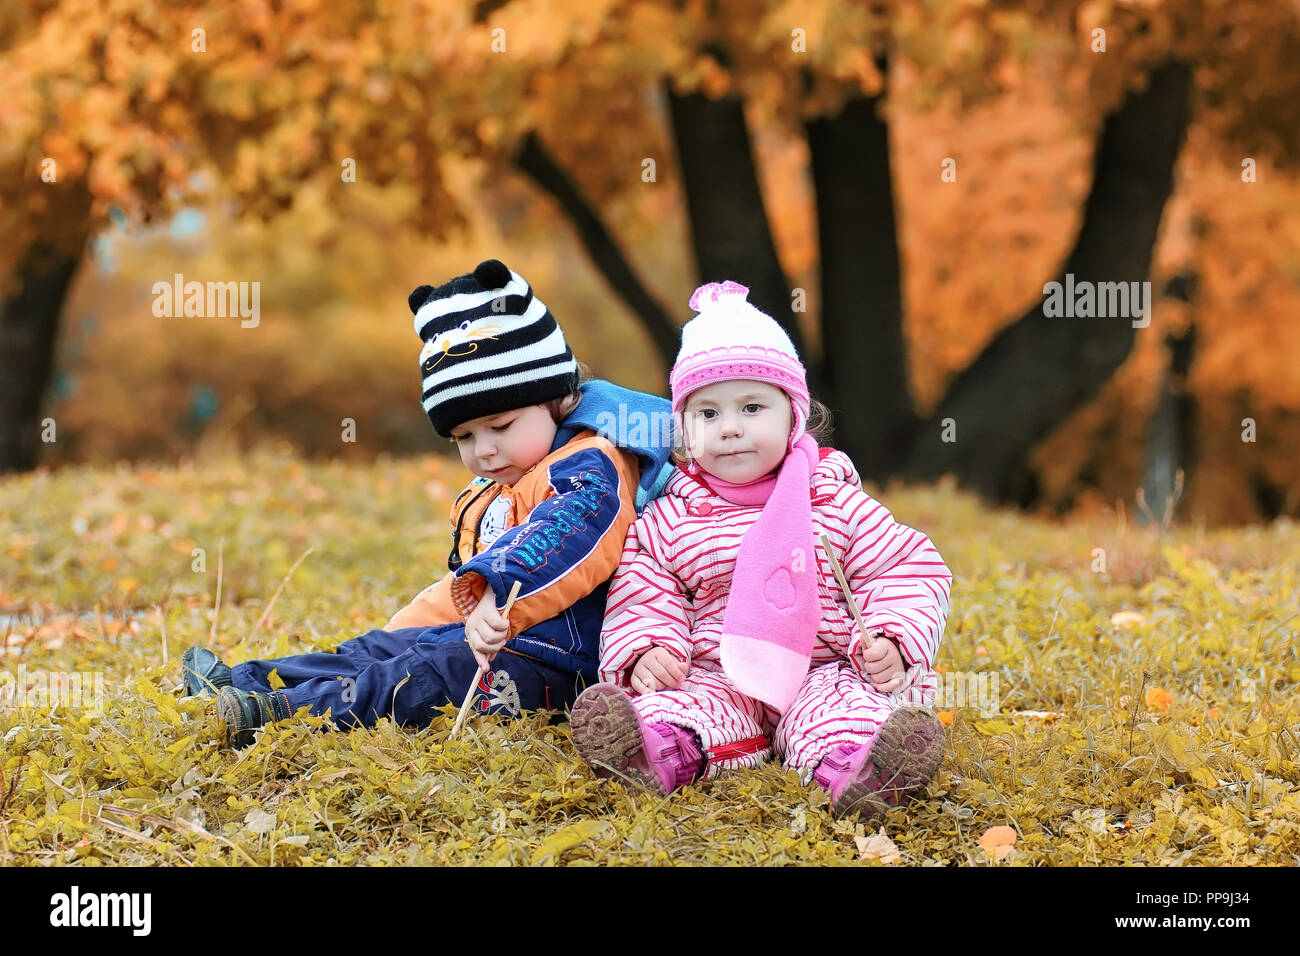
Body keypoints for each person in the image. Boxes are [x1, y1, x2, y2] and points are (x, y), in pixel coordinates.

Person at [180, 259, 674, 747]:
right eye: (463, 436)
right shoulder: (508, 481)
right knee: (382, 650)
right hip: (495, 636)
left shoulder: (591, 466)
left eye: (501, 427)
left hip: (558, 660)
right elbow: (464, 585)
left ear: (554, 400)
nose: (483, 449)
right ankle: (243, 682)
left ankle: (278, 715)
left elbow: (567, 537)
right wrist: (407, 629)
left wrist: (496, 594)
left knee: (427, 674)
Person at [569, 280, 953, 819]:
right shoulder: (674, 514)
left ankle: (861, 770)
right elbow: (643, 589)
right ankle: (654, 752)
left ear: (793, 415)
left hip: (826, 668)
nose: (729, 429)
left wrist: (892, 635)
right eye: (707, 414)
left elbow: (904, 568)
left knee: (845, 712)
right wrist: (647, 648)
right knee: (684, 707)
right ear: (682, 428)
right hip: (713, 669)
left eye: (752, 408)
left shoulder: (833, 501)